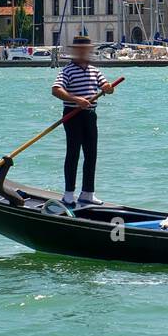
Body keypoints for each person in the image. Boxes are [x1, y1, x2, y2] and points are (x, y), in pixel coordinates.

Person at [51, 34, 114, 207]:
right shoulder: (67, 70)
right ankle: (68, 194)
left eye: (87, 50)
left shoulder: (95, 71)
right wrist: (76, 99)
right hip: (72, 115)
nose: (85, 53)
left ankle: (87, 193)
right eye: (81, 50)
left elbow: (106, 88)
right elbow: (56, 90)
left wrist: (108, 89)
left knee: (91, 154)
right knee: (73, 154)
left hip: (90, 116)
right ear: (76, 52)